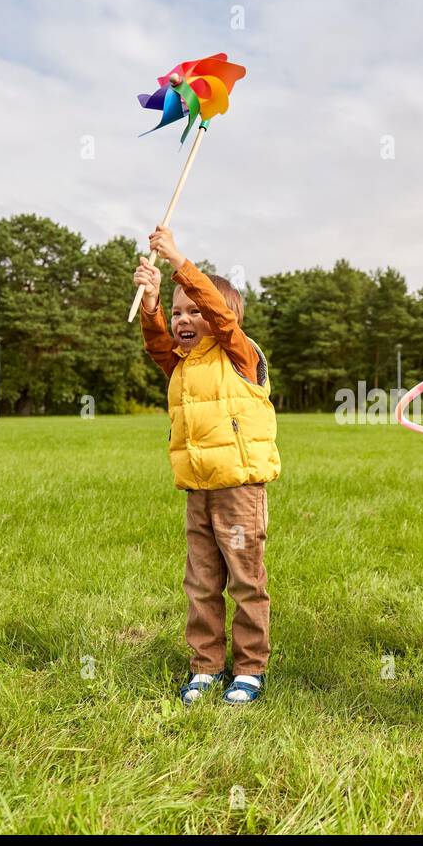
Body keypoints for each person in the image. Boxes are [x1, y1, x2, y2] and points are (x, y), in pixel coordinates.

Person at [134, 226, 280, 705]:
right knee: (200, 583)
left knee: (245, 580)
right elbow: (158, 345)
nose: (184, 319)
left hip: (239, 489)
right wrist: (153, 304)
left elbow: (218, 316)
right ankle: (206, 667)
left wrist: (179, 262)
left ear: (223, 317)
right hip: (199, 489)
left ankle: (250, 669)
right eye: (179, 313)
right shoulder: (183, 364)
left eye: (194, 310)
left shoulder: (240, 352)